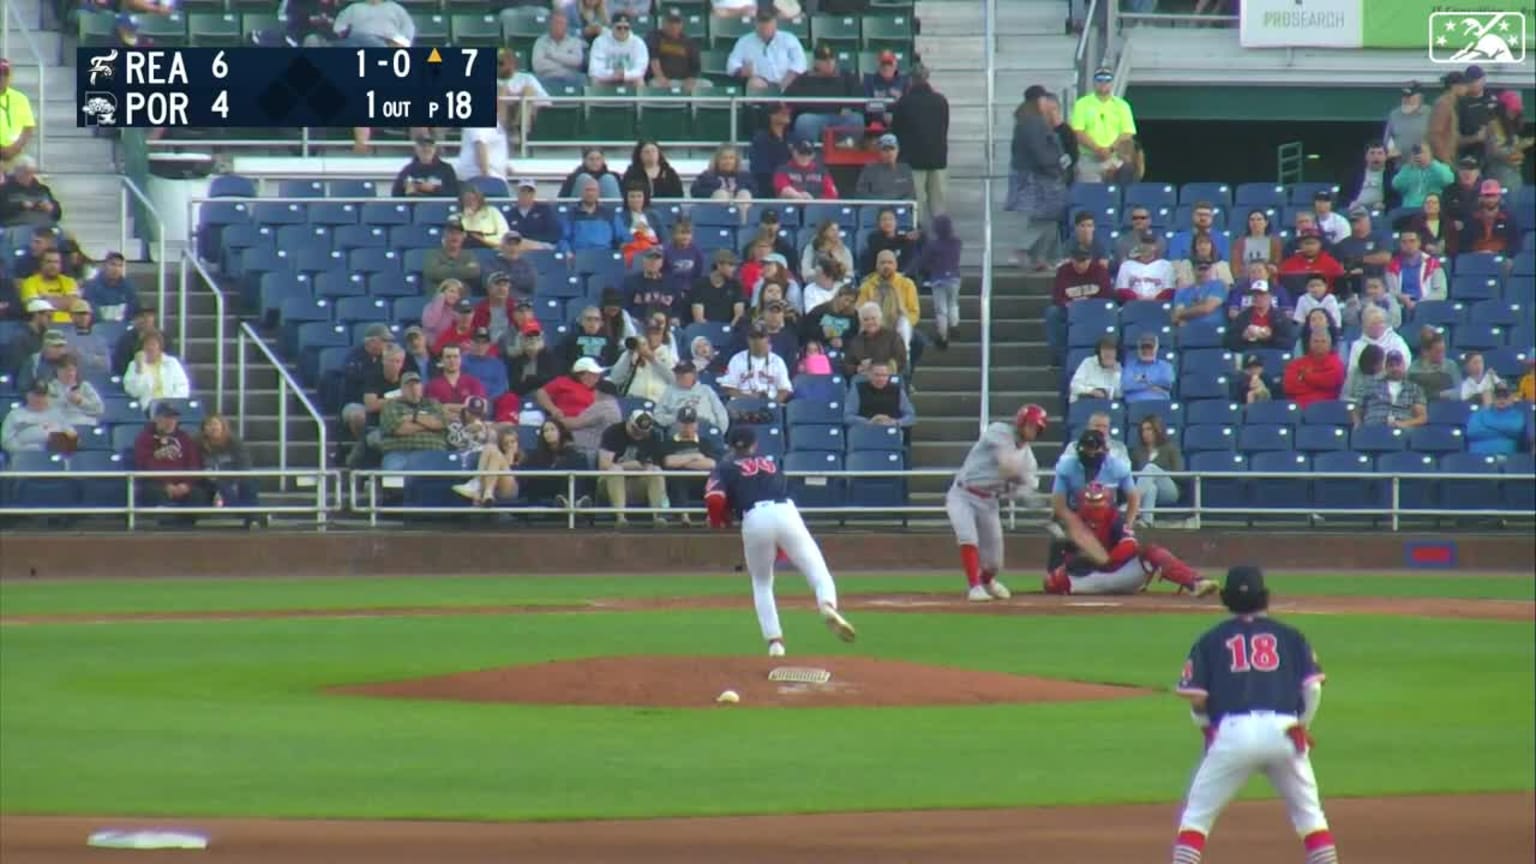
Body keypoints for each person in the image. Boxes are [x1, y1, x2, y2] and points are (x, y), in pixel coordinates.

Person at [1169, 565, 1337, 864]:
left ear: (1225, 599)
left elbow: (1195, 697)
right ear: (1266, 597)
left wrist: (1207, 728)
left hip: (1233, 733)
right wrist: (1301, 725)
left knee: (1196, 819)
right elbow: (1313, 690)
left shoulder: (1210, 640)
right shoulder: (1291, 636)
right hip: (1285, 731)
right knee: (1311, 818)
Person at [705, 425, 857, 656]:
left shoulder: (724, 466)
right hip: (786, 513)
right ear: (754, 444)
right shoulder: (770, 463)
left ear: (729, 445)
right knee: (818, 572)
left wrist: (719, 521)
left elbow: (715, 498)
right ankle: (827, 605)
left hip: (754, 518)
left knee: (762, 583)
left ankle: (775, 642)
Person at [944, 405, 1048, 601]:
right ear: (1021, 422)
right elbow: (1006, 466)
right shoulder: (999, 431)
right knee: (968, 537)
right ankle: (974, 587)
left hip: (989, 501)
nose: (1033, 431)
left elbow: (1021, 491)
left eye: (1037, 428)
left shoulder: (1029, 459)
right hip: (963, 493)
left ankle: (987, 581)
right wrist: (1020, 478)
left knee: (994, 562)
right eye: (1031, 425)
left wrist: (1021, 489)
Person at [1041, 481, 1213, 596]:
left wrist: (1107, 559)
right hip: (1088, 578)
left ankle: (1194, 582)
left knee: (1153, 552)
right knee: (1053, 582)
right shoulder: (1072, 523)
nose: (1095, 507)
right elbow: (1054, 570)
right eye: (1091, 502)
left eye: (1099, 502)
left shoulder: (1114, 518)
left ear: (1107, 502)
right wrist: (1078, 560)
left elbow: (1130, 545)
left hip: (1120, 572)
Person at [1007, 87, 1068, 271]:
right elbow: (1040, 152)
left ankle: (1041, 257)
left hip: (1030, 176)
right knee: (1044, 217)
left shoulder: (1025, 121)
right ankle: (1021, 249)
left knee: (1049, 217)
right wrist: (1055, 165)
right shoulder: (1033, 123)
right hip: (1036, 178)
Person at [888, 64, 949, 224]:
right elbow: (944, 127)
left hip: (912, 159)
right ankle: (942, 235)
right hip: (937, 158)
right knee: (938, 203)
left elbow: (896, 130)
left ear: (911, 80)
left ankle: (918, 234)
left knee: (917, 202)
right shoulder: (941, 101)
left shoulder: (904, 102)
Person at [133, 402, 210, 515]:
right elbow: (144, 464)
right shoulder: (144, 439)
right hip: (156, 483)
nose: (171, 421)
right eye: (167, 417)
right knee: (153, 492)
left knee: (198, 494)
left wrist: (186, 484)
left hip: (182, 483)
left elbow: (194, 463)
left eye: (174, 418)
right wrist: (166, 485)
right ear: (156, 418)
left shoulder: (184, 438)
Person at [598, 408, 668, 525]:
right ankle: (620, 517)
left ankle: (658, 516)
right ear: (629, 422)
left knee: (656, 471)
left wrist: (641, 467)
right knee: (615, 470)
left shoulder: (653, 436)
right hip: (610, 484)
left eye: (643, 433)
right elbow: (604, 465)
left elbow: (653, 464)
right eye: (635, 431)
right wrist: (627, 466)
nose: (639, 435)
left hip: (637, 485)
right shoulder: (613, 432)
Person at [1070, 66, 1136, 184]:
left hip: (1114, 157)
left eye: (1107, 79)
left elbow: (1128, 132)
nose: (1103, 83)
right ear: (1094, 82)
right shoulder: (1082, 104)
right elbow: (1078, 131)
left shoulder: (1122, 105)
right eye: (1099, 79)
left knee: (1117, 194)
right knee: (1091, 195)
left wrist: (1110, 149)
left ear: (1112, 82)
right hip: (1089, 158)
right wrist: (1098, 150)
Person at [726, 8, 807, 92]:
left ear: (775, 25)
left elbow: (800, 62)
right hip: (763, 84)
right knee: (753, 83)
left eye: (768, 28)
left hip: (789, 81)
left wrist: (786, 81)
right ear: (756, 25)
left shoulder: (789, 39)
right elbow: (732, 65)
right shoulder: (744, 41)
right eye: (762, 29)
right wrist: (742, 71)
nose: (765, 32)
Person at [198, 414, 261, 519]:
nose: (213, 428)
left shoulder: (234, 442)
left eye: (215, 424)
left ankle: (252, 517)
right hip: (207, 481)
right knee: (219, 486)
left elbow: (244, 465)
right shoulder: (197, 443)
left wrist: (234, 481)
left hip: (232, 479)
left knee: (250, 482)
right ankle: (252, 515)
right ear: (204, 429)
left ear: (223, 426)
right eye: (209, 425)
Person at [915, 214, 962, 348]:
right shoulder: (957, 242)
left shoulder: (932, 244)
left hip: (938, 278)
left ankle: (943, 335)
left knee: (941, 309)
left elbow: (923, 261)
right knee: (953, 303)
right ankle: (954, 325)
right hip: (954, 277)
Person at [122, 330, 191, 410]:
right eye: (147, 344)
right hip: (149, 407)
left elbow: (182, 386)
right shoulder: (134, 365)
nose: (150, 348)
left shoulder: (172, 362)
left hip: (172, 406)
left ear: (160, 348)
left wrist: (172, 402)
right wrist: (139, 370)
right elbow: (133, 392)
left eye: (153, 344)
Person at [455, 425, 522, 506]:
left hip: (511, 489)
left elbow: (522, 480)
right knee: (489, 447)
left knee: (496, 455)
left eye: (513, 442)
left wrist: (510, 461)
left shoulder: (524, 458)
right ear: (501, 446)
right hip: (493, 488)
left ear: (518, 442)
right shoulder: (495, 455)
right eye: (506, 444)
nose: (510, 445)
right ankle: (484, 491)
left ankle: (478, 487)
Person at [1, 381, 73, 456]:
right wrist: (25, 450)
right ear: (28, 395)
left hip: (54, 457)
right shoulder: (15, 415)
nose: (40, 399)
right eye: (36, 395)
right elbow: (6, 441)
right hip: (24, 458)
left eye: (43, 395)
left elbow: (71, 436)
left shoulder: (58, 414)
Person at [1283, 330, 1345, 409]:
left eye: (1323, 341)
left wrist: (1305, 376)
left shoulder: (1337, 364)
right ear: (1310, 343)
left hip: (1327, 409)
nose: (1319, 344)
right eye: (1316, 341)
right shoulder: (1296, 364)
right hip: (1298, 410)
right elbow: (1289, 387)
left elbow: (1329, 382)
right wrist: (1319, 388)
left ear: (1330, 344)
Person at [1485, 90, 1533, 191]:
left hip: (1515, 175)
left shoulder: (1511, 126)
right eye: (1512, 110)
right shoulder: (1494, 126)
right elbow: (1496, 152)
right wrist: (1519, 146)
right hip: (1500, 176)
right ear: (1503, 109)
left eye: (1517, 111)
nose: (1515, 113)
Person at [588, 12, 649, 85]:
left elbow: (640, 70)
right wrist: (612, 74)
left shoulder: (638, 43)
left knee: (639, 81)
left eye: (626, 28)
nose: (622, 31)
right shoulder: (600, 42)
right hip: (607, 78)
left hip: (628, 78)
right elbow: (594, 70)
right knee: (595, 80)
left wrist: (624, 74)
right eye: (619, 28)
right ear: (612, 27)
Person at [531, 11, 587, 90]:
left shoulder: (575, 42)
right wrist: (566, 66)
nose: (559, 26)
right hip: (546, 78)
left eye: (562, 23)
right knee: (533, 81)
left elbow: (577, 61)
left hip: (570, 79)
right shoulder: (541, 42)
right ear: (550, 25)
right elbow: (538, 65)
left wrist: (553, 55)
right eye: (556, 23)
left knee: (582, 79)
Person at [390, 136, 458, 199]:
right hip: (415, 207)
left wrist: (433, 189)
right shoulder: (408, 170)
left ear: (435, 149)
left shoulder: (446, 169)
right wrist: (406, 188)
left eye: (430, 146)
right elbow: (395, 195)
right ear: (416, 149)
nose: (426, 149)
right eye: (423, 146)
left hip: (439, 207)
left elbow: (454, 193)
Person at [1467, 384, 1526, 456]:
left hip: (1503, 456)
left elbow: (1514, 430)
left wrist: (1487, 425)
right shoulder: (1480, 413)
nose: (1501, 399)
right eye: (1498, 397)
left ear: (1511, 399)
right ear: (1493, 399)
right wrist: (1502, 433)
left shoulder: (1517, 415)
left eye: (1505, 397)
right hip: (1477, 456)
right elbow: (1472, 432)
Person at [854, 133, 916, 202]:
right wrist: (882, 202)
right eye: (885, 149)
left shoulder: (905, 169)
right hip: (875, 205)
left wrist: (895, 203)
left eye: (892, 148)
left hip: (899, 206)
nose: (889, 152)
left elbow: (911, 194)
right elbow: (861, 193)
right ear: (879, 151)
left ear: (897, 150)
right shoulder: (869, 169)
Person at [0, 58, 37, 170]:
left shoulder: (20, 98)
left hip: (16, 153)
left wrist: (15, 148)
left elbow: (28, 128)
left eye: (5, 74)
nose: (2, 78)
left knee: (27, 167)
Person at [47, 356, 104, 426]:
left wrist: (80, 401)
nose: (70, 374)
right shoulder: (49, 388)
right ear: (57, 370)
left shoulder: (85, 386)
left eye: (72, 370)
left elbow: (99, 409)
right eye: (66, 370)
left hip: (84, 425)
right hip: (60, 426)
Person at [690, 145, 755, 202]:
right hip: (714, 208)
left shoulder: (745, 176)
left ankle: (742, 216)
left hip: (739, 205)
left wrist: (735, 193)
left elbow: (756, 193)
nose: (728, 161)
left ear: (736, 160)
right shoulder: (707, 175)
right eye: (724, 158)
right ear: (717, 160)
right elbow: (695, 191)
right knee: (721, 194)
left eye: (731, 158)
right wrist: (716, 192)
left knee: (744, 194)